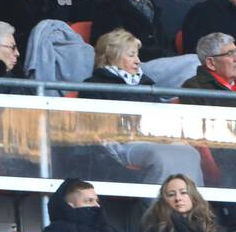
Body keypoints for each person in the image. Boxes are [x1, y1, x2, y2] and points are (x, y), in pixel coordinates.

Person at [82, 30, 204, 185]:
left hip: (153, 139)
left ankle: (193, 205)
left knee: (190, 153)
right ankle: (158, 206)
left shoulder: (146, 84)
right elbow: (95, 128)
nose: (138, 60)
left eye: (137, 55)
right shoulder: (94, 86)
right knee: (161, 154)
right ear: (113, 55)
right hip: (121, 145)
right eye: (131, 55)